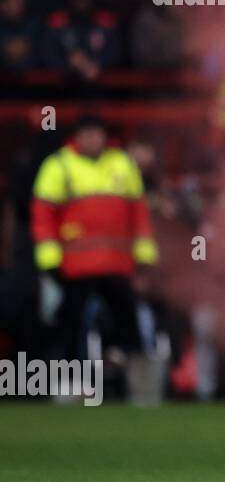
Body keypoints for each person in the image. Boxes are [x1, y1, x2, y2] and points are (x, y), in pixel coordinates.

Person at [30, 114, 158, 365]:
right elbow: (43, 215)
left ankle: (139, 389)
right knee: (70, 323)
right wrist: (49, 258)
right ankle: (69, 383)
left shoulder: (122, 163)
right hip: (75, 265)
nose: (92, 138)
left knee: (129, 323)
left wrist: (144, 254)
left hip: (116, 263)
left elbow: (138, 213)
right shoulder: (59, 166)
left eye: (97, 132)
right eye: (87, 133)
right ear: (76, 136)